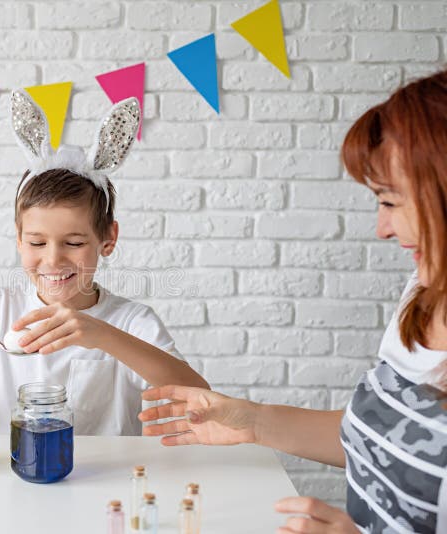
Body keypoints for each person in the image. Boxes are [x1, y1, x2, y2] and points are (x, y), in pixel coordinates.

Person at [139, 70, 447, 532]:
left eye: (389, 201)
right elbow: (377, 445)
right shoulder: (421, 296)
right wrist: (253, 423)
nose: (381, 228)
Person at [0, 90, 209, 436]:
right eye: (36, 242)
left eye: (74, 243)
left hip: (104, 483)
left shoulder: (132, 322)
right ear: (18, 239)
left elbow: (200, 397)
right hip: (11, 480)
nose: (53, 259)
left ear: (108, 239)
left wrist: (102, 335)